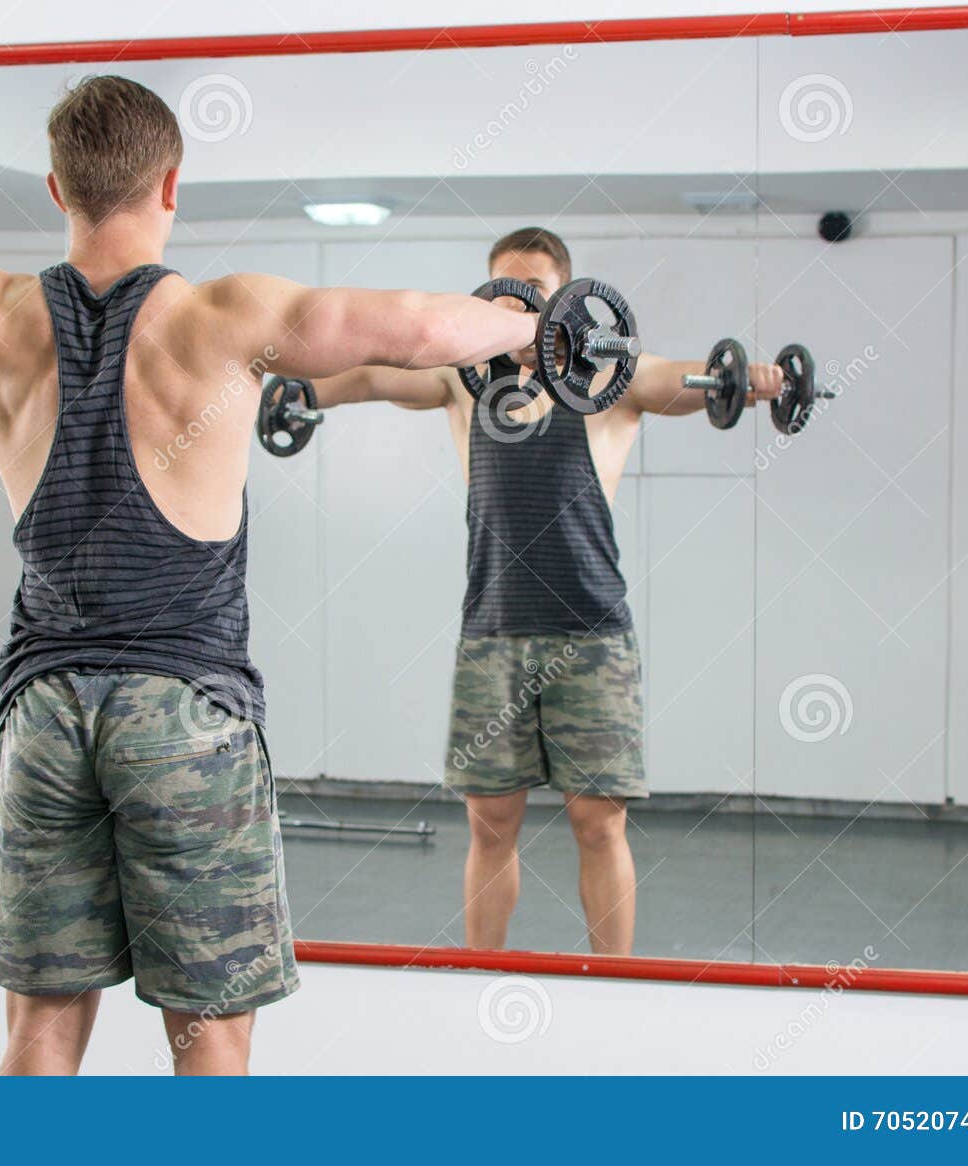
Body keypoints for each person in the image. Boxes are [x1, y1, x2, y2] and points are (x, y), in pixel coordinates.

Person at [0, 75, 539, 1076]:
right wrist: (538, 325)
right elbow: (420, 328)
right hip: (181, 716)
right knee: (207, 1035)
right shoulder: (224, 317)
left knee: (39, 1031)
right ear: (171, 183)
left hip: (41, 714)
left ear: (57, 188)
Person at [308, 227, 783, 957]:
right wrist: (287, 387)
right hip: (492, 635)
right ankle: (483, 974)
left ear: (568, 300)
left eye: (535, 294)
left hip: (592, 639)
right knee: (490, 824)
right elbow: (369, 374)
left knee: (600, 823)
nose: (520, 311)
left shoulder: (608, 388)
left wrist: (750, 379)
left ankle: (616, 987)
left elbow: (688, 381)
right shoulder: (459, 383)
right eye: (507, 293)